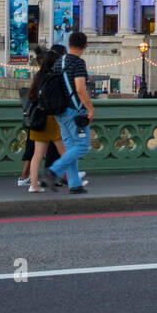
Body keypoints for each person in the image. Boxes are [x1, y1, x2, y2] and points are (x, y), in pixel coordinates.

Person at [38, 31, 93, 194]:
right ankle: (53, 171)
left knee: (71, 148)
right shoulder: (78, 63)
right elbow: (80, 89)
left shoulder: (59, 62)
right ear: (85, 46)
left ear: (69, 45)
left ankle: (75, 184)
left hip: (59, 111)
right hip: (75, 112)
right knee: (82, 146)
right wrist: (90, 109)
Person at [22, 46, 68, 192]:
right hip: (51, 119)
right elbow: (56, 101)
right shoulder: (53, 78)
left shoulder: (38, 77)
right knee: (64, 152)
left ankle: (33, 184)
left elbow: (31, 97)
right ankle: (74, 181)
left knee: (37, 154)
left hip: (38, 119)